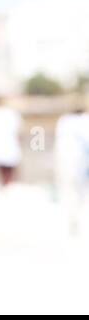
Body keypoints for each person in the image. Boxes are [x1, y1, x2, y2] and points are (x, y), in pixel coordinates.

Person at [54, 95, 89, 233]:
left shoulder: (64, 120)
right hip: (80, 160)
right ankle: (76, 218)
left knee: (69, 189)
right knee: (80, 191)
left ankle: (73, 217)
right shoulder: (84, 120)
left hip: (65, 159)